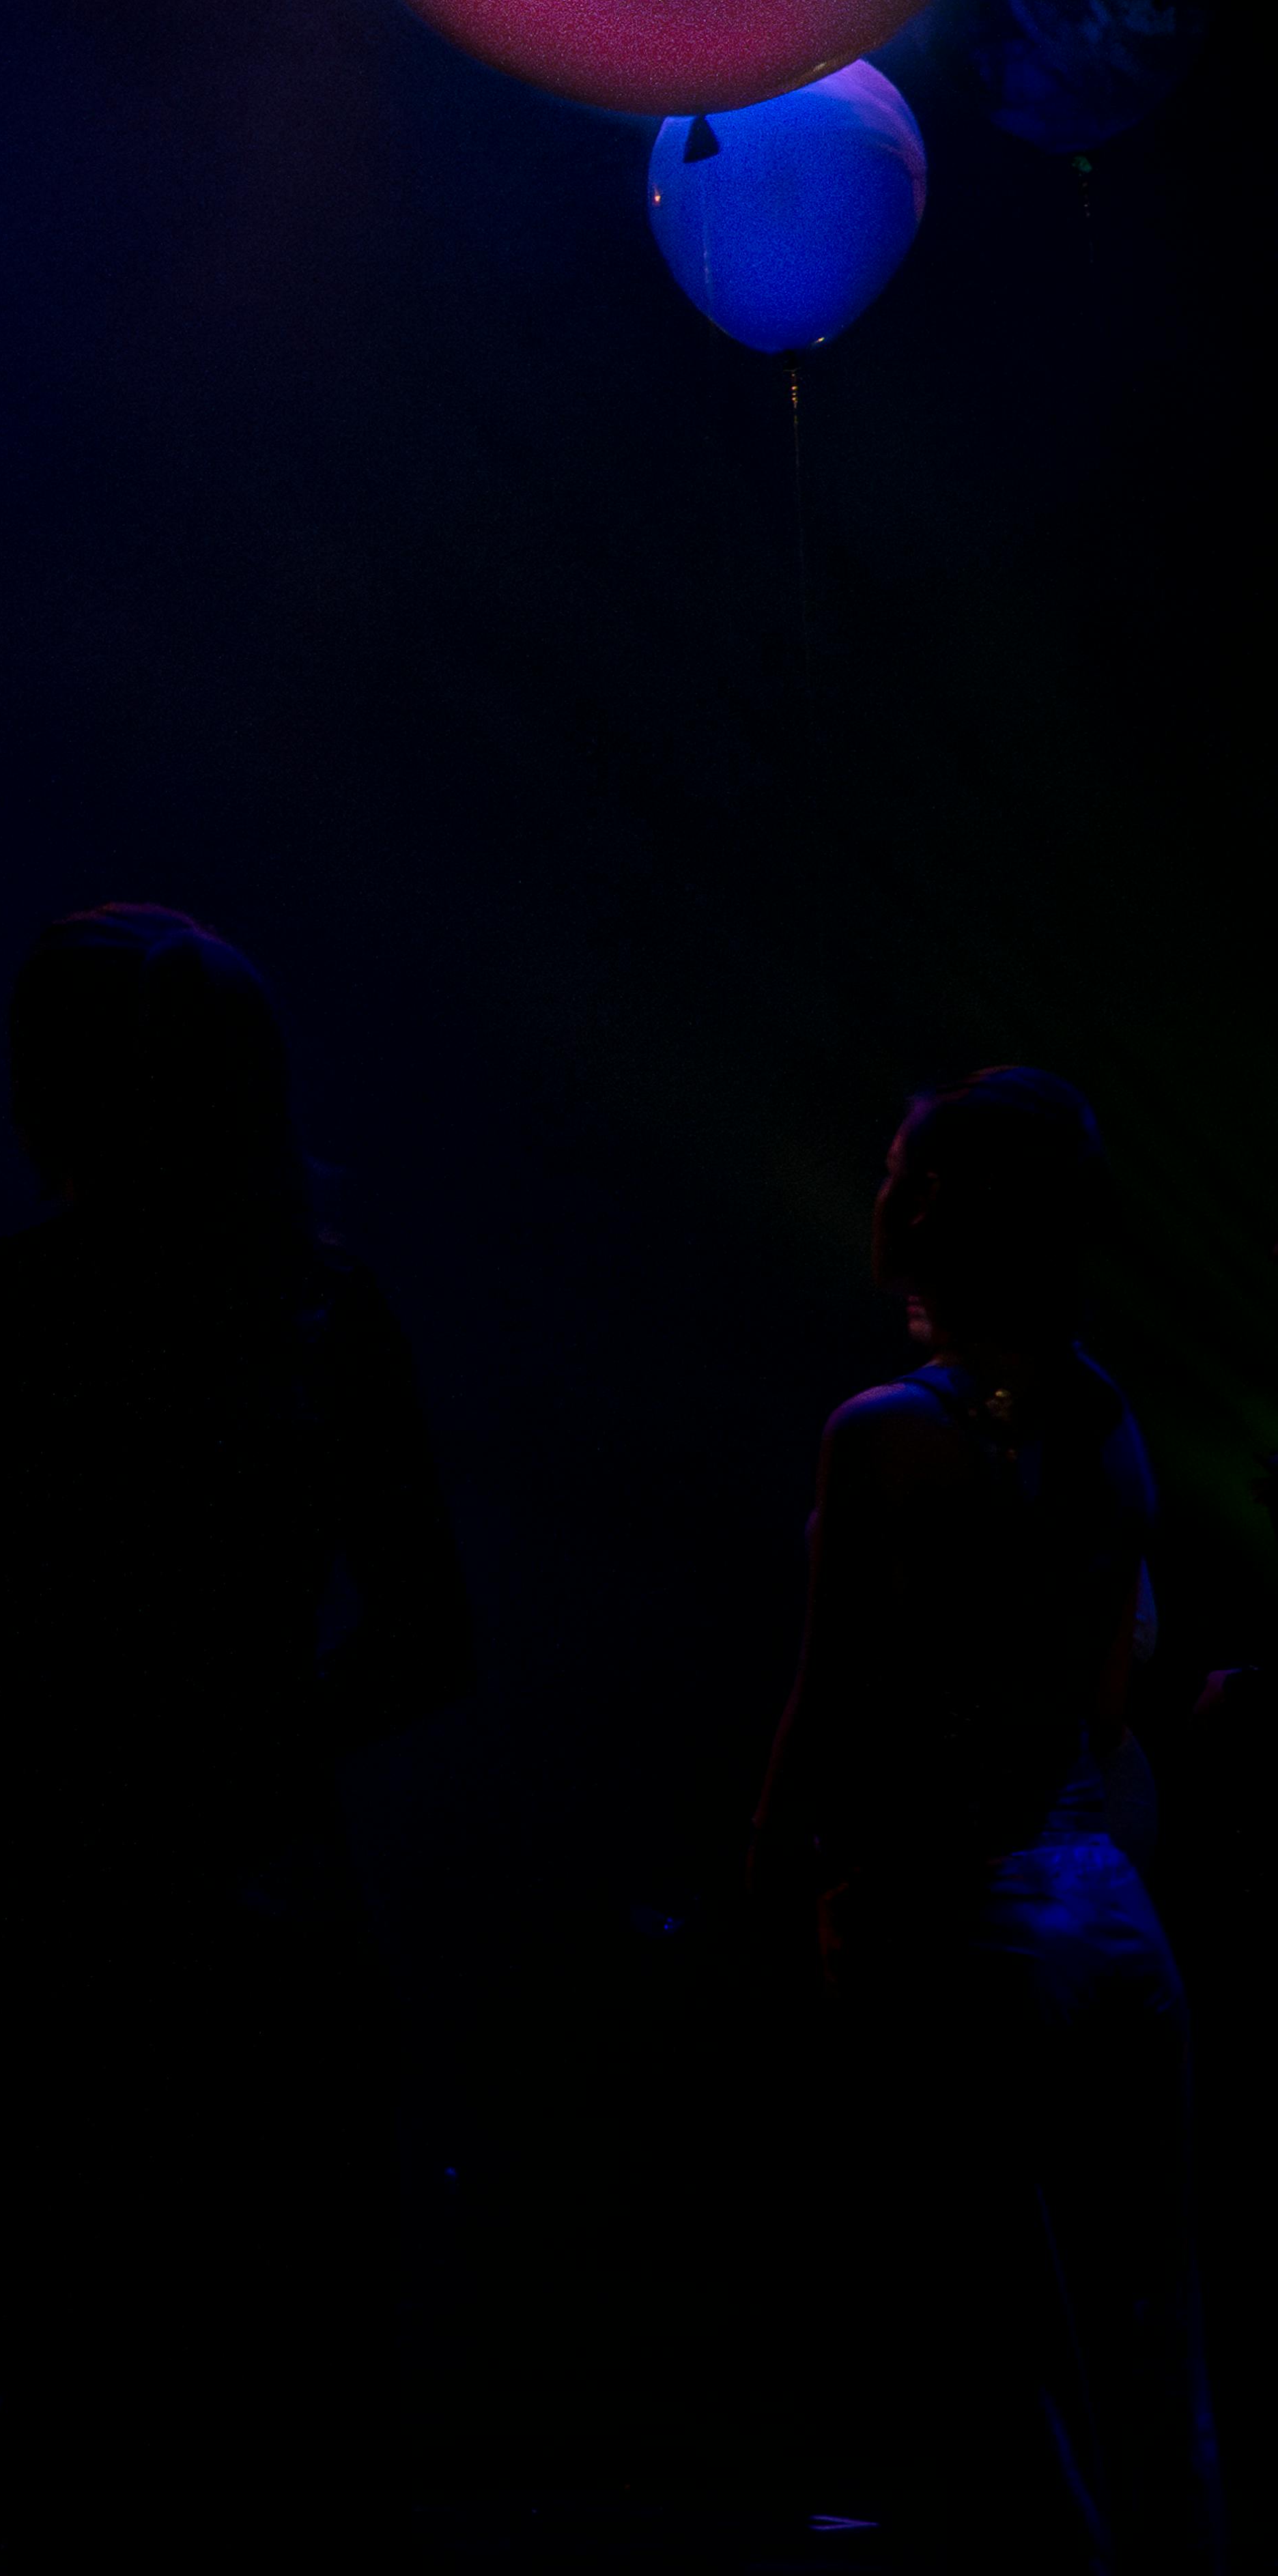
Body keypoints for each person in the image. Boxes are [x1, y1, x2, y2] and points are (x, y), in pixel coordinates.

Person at [0, 904, 467, 2540]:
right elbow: (426, 1631)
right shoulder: (318, 1302)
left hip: (75, 1919)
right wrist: (250, 1746)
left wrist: (61, 1785)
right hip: (270, 1893)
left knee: (98, 2380)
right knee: (294, 2373)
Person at [752, 1070, 1225, 2571]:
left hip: (953, 1921)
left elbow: (825, 1706)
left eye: (895, 1167)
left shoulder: (879, 1433)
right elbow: (1109, 1699)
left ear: (932, 1204)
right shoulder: (1107, 1420)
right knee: (1148, 2346)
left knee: (988, 2361)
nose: (879, 1190)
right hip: (1110, 1929)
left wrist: (772, 1888)